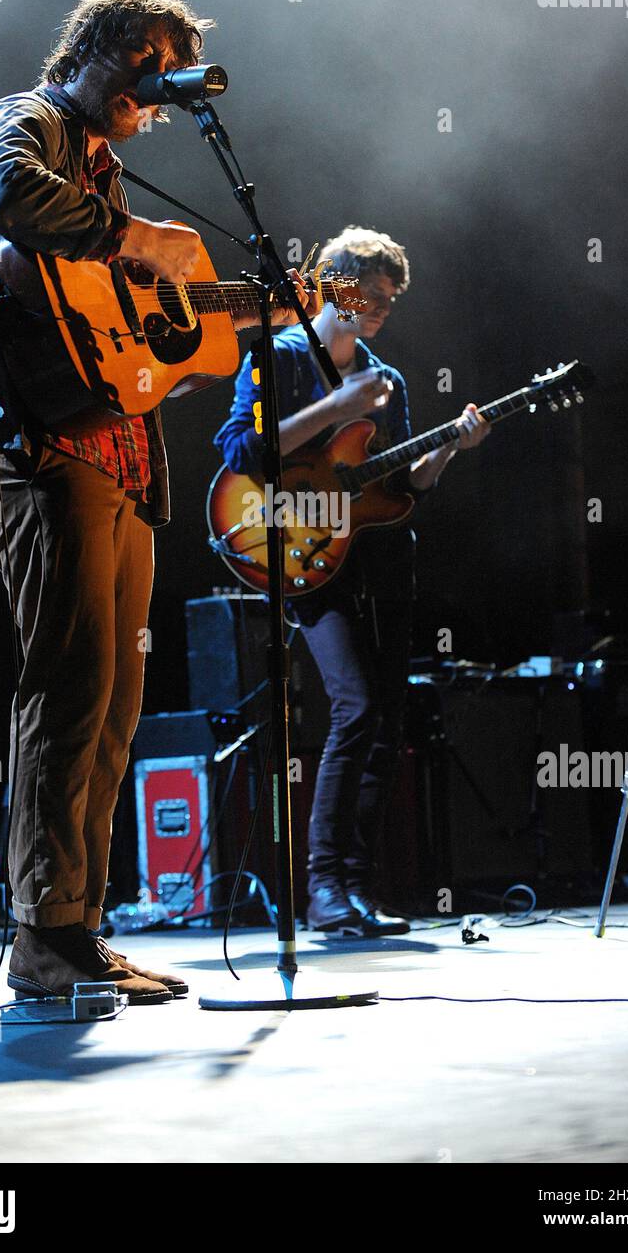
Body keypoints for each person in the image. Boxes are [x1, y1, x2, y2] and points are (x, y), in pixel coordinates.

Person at [0, 0, 310, 1002]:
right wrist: (138, 239)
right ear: (93, 46)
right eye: (145, 66)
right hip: (30, 443)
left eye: (166, 80)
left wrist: (245, 307)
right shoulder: (23, 121)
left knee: (113, 703)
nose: (154, 95)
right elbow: (9, 201)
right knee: (69, 685)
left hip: (117, 459)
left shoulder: (102, 171)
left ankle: (80, 927)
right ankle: (44, 938)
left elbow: (141, 336)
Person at [214, 227, 490, 934]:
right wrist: (338, 409)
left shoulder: (385, 379)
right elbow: (244, 450)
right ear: (330, 285)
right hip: (298, 548)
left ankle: (353, 892)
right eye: (367, 297)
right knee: (355, 706)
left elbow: (399, 489)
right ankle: (324, 888)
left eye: (388, 303)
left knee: (387, 719)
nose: (376, 311)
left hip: (373, 554)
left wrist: (448, 451)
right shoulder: (276, 356)